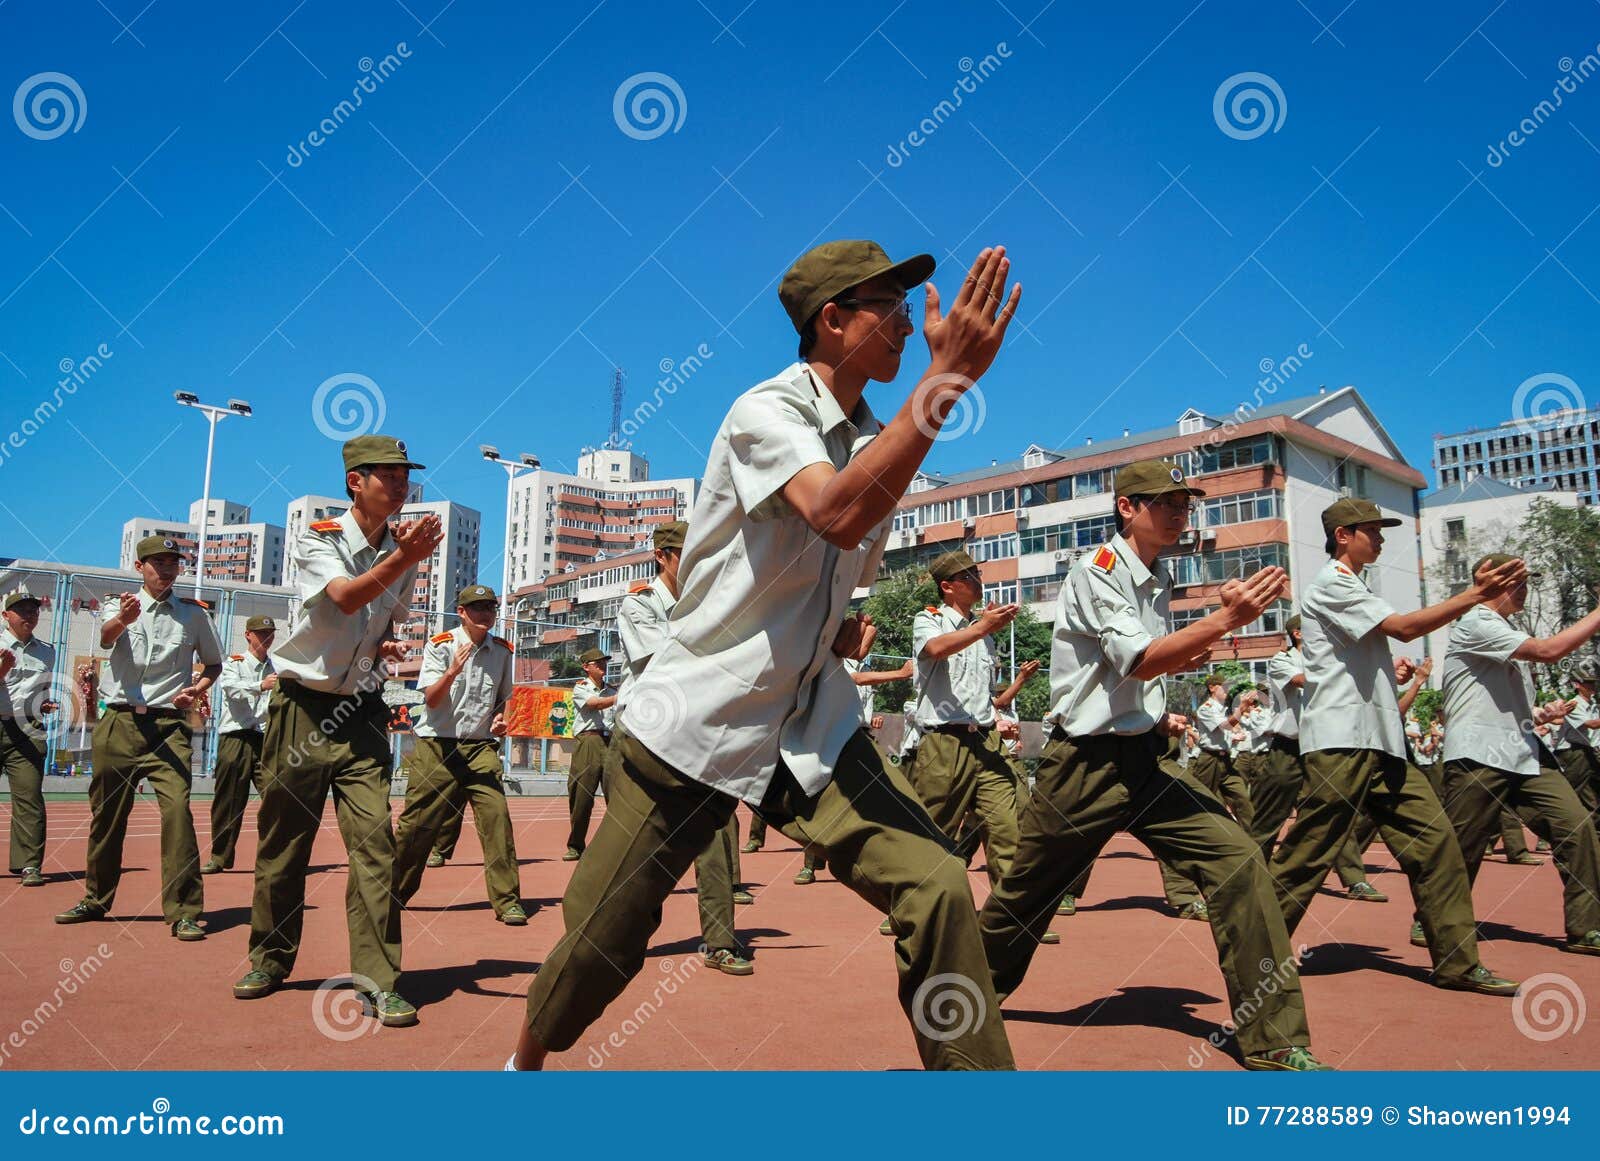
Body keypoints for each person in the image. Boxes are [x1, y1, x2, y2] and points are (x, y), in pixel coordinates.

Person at [507, 240, 1023, 1072]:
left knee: (936, 881)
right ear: (833, 319)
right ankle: (521, 1068)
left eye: (908, 308)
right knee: (603, 940)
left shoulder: (871, 437)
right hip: (695, 722)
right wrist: (946, 381)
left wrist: (835, 631)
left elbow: (836, 560)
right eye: (889, 307)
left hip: (808, 724)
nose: (907, 325)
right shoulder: (765, 411)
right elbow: (836, 514)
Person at [978, 459, 1327, 1071]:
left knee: (1240, 863)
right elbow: (1139, 660)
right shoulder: (1098, 570)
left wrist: (1189, 661)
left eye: (1185, 505)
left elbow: (1147, 668)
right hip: (1083, 767)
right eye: (1165, 503)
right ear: (1126, 508)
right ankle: (962, 993)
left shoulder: (1156, 576)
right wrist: (1226, 619)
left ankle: (1273, 1038)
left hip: (1145, 761)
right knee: (1026, 897)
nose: (1179, 514)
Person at [1268, 497, 1524, 996]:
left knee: (1437, 844)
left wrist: (1392, 671)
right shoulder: (1332, 583)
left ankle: (1456, 963)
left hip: (1382, 743)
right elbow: (1406, 628)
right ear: (1343, 535)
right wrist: (1475, 594)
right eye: (1372, 529)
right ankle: (1255, 954)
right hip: (1342, 741)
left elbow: (1359, 655)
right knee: (1307, 854)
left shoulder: (1356, 586)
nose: (1381, 537)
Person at [231, 435, 441, 1028]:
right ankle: (270, 958)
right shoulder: (317, 538)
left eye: (405, 477)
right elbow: (346, 598)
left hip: (362, 716)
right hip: (301, 709)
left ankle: (379, 980)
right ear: (356, 481)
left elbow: (379, 622)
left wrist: (385, 646)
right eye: (389, 476)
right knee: (284, 844)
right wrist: (405, 557)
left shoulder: (402, 548)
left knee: (375, 846)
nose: (400, 486)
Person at [55, 536, 222, 939]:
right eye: (157, 562)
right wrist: (124, 620)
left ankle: (184, 911)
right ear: (139, 567)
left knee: (178, 813)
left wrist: (196, 690)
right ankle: (96, 899)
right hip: (120, 724)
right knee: (108, 815)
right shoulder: (119, 605)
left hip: (169, 728)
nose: (166, 569)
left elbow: (214, 664)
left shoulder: (194, 615)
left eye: (172, 563)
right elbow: (106, 637)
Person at [1434, 553, 1600, 956]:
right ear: (1492, 583)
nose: (1524, 590)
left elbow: (1504, 701)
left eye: (1526, 582)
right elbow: (1549, 650)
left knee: (1577, 828)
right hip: (1479, 753)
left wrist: (1541, 714)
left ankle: (1586, 928)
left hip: (1525, 752)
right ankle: (1432, 919)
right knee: (1463, 847)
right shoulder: (1476, 622)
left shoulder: (1507, 629)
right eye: (1517, 582)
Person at [617, 520, 752, 974]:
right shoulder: (639, 604)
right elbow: (665, 665)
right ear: (663, 556)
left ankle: (720, 941)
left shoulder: (712, 605)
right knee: (636, 852)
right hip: (647, 739)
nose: (700, 565)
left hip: (700, 739)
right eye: (688, 555)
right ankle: (617, 937)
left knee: (713, 842)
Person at [391, 585, 526, 925]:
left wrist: (501, 719)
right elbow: (432, 700)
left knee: (497, 819)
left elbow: (504, 697)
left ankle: (508, 901)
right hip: (438, 746)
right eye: (477, 608)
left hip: (480, 747)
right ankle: (394, 893)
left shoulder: (502, 651)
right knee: (417, 826)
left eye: (490, 608)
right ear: (462, 612)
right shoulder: (440, 646)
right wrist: (452, 671)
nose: (486, 614)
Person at [204, 614, 277, 873]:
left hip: (265, 739)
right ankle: (220, 857)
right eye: (261, 633)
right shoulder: (233, 663)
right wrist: (261, 685)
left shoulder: (277, 668)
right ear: (248, 635)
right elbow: (231, 689)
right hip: (235, 737)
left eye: (270, 633)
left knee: (277, 797)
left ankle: (274, 858)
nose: (267, 638)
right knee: (229, 801)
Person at [1, 592, 58, 886]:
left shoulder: (47, 652)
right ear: (5, 615)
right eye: (21, 610)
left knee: (30, 796)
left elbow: (40, 689)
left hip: (27, 729)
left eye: (33, 610)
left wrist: (44, 703)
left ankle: (29, 865)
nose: (29, 615)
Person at [563, 648, 615, 861]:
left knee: (617, 797)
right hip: (589, 742)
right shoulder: (581, 688)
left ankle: (616, 847)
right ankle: (576, 845)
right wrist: (621, 697)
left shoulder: (612, 690)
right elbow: (595, 704)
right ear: (586, 667)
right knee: (581, 797)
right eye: (597, 663)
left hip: (611, 742)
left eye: (604, 662)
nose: (603, 666)